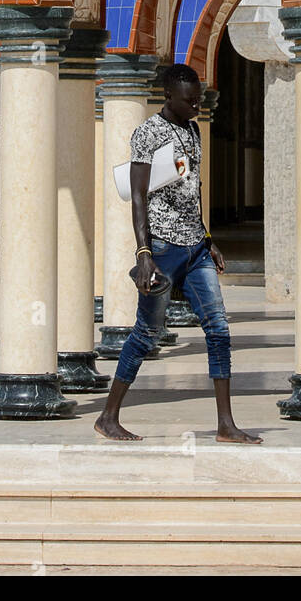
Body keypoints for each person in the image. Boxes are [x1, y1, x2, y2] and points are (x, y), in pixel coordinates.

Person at [93, 63, 260, 444]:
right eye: (189, 101)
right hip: (163, 247)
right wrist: (144, 252)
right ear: (169, 96)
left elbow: (192, 191)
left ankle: (225, 425)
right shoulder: (148, 134)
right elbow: (138, 196)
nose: (196, 105)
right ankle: (108, 415)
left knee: (218, 329)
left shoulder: (193, 128)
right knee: (146, 333)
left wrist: (208, 236)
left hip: (195, 247)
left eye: (198, 98)